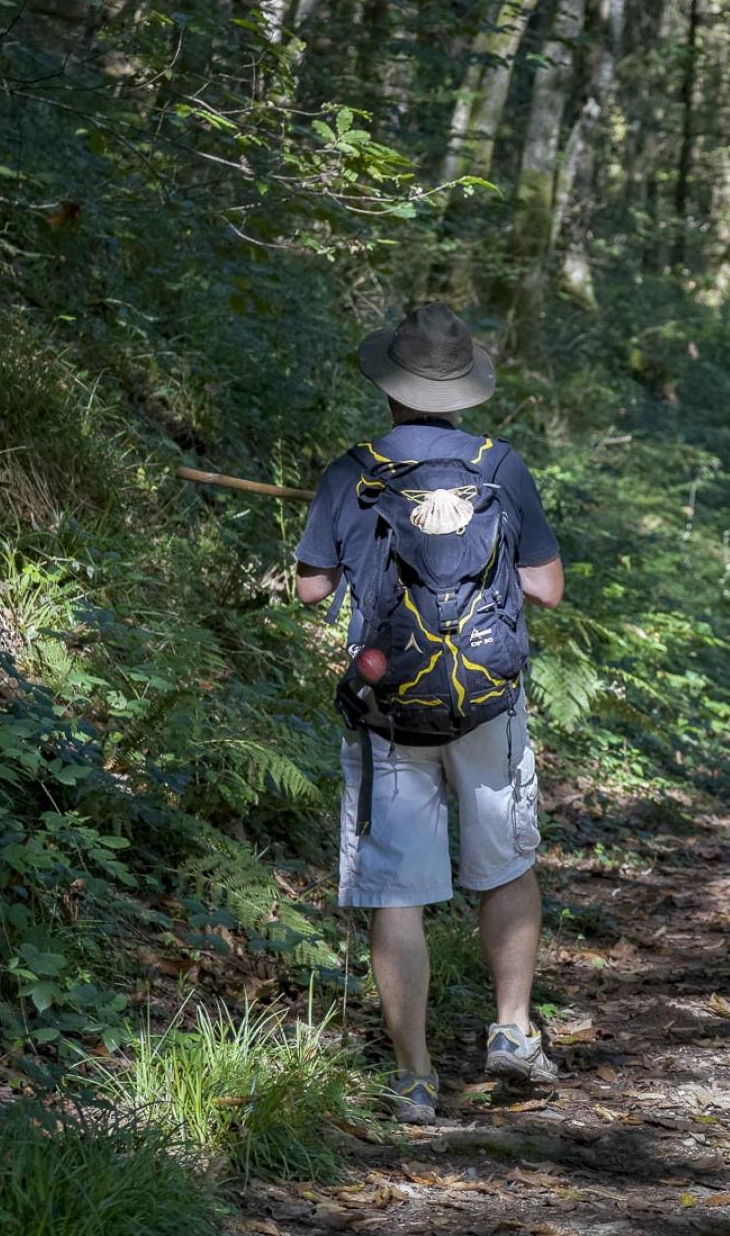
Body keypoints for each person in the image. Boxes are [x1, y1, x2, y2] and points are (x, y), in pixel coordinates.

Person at [294, 303, 566, 1122]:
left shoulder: (352, 471)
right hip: (488, 702)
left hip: (387, 709)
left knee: (397, 891)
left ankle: (414, 1078)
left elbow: (311, 588)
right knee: (506, 865)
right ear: (461, 391)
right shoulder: (501, 467)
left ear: (390, 386)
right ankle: (512, 1032)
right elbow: (547, 586)